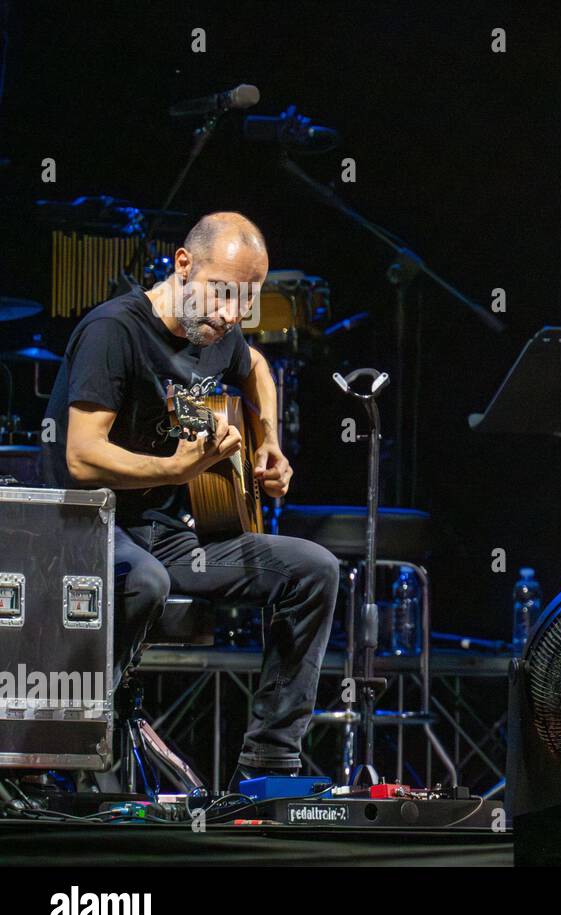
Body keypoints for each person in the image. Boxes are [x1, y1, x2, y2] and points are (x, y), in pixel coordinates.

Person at [42, 211, 339, 789]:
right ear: (183, 265)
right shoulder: (115, 331)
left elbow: (256, 368)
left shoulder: (219, 335)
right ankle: (71, 752)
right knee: (144, 580)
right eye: (222, 294)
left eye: (244, 301)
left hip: (164, 531)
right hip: (84, 525)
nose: (230, 315)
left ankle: (269, 767)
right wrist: (174, 468)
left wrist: (270, 443)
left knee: (314, 570)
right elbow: (80, 456)